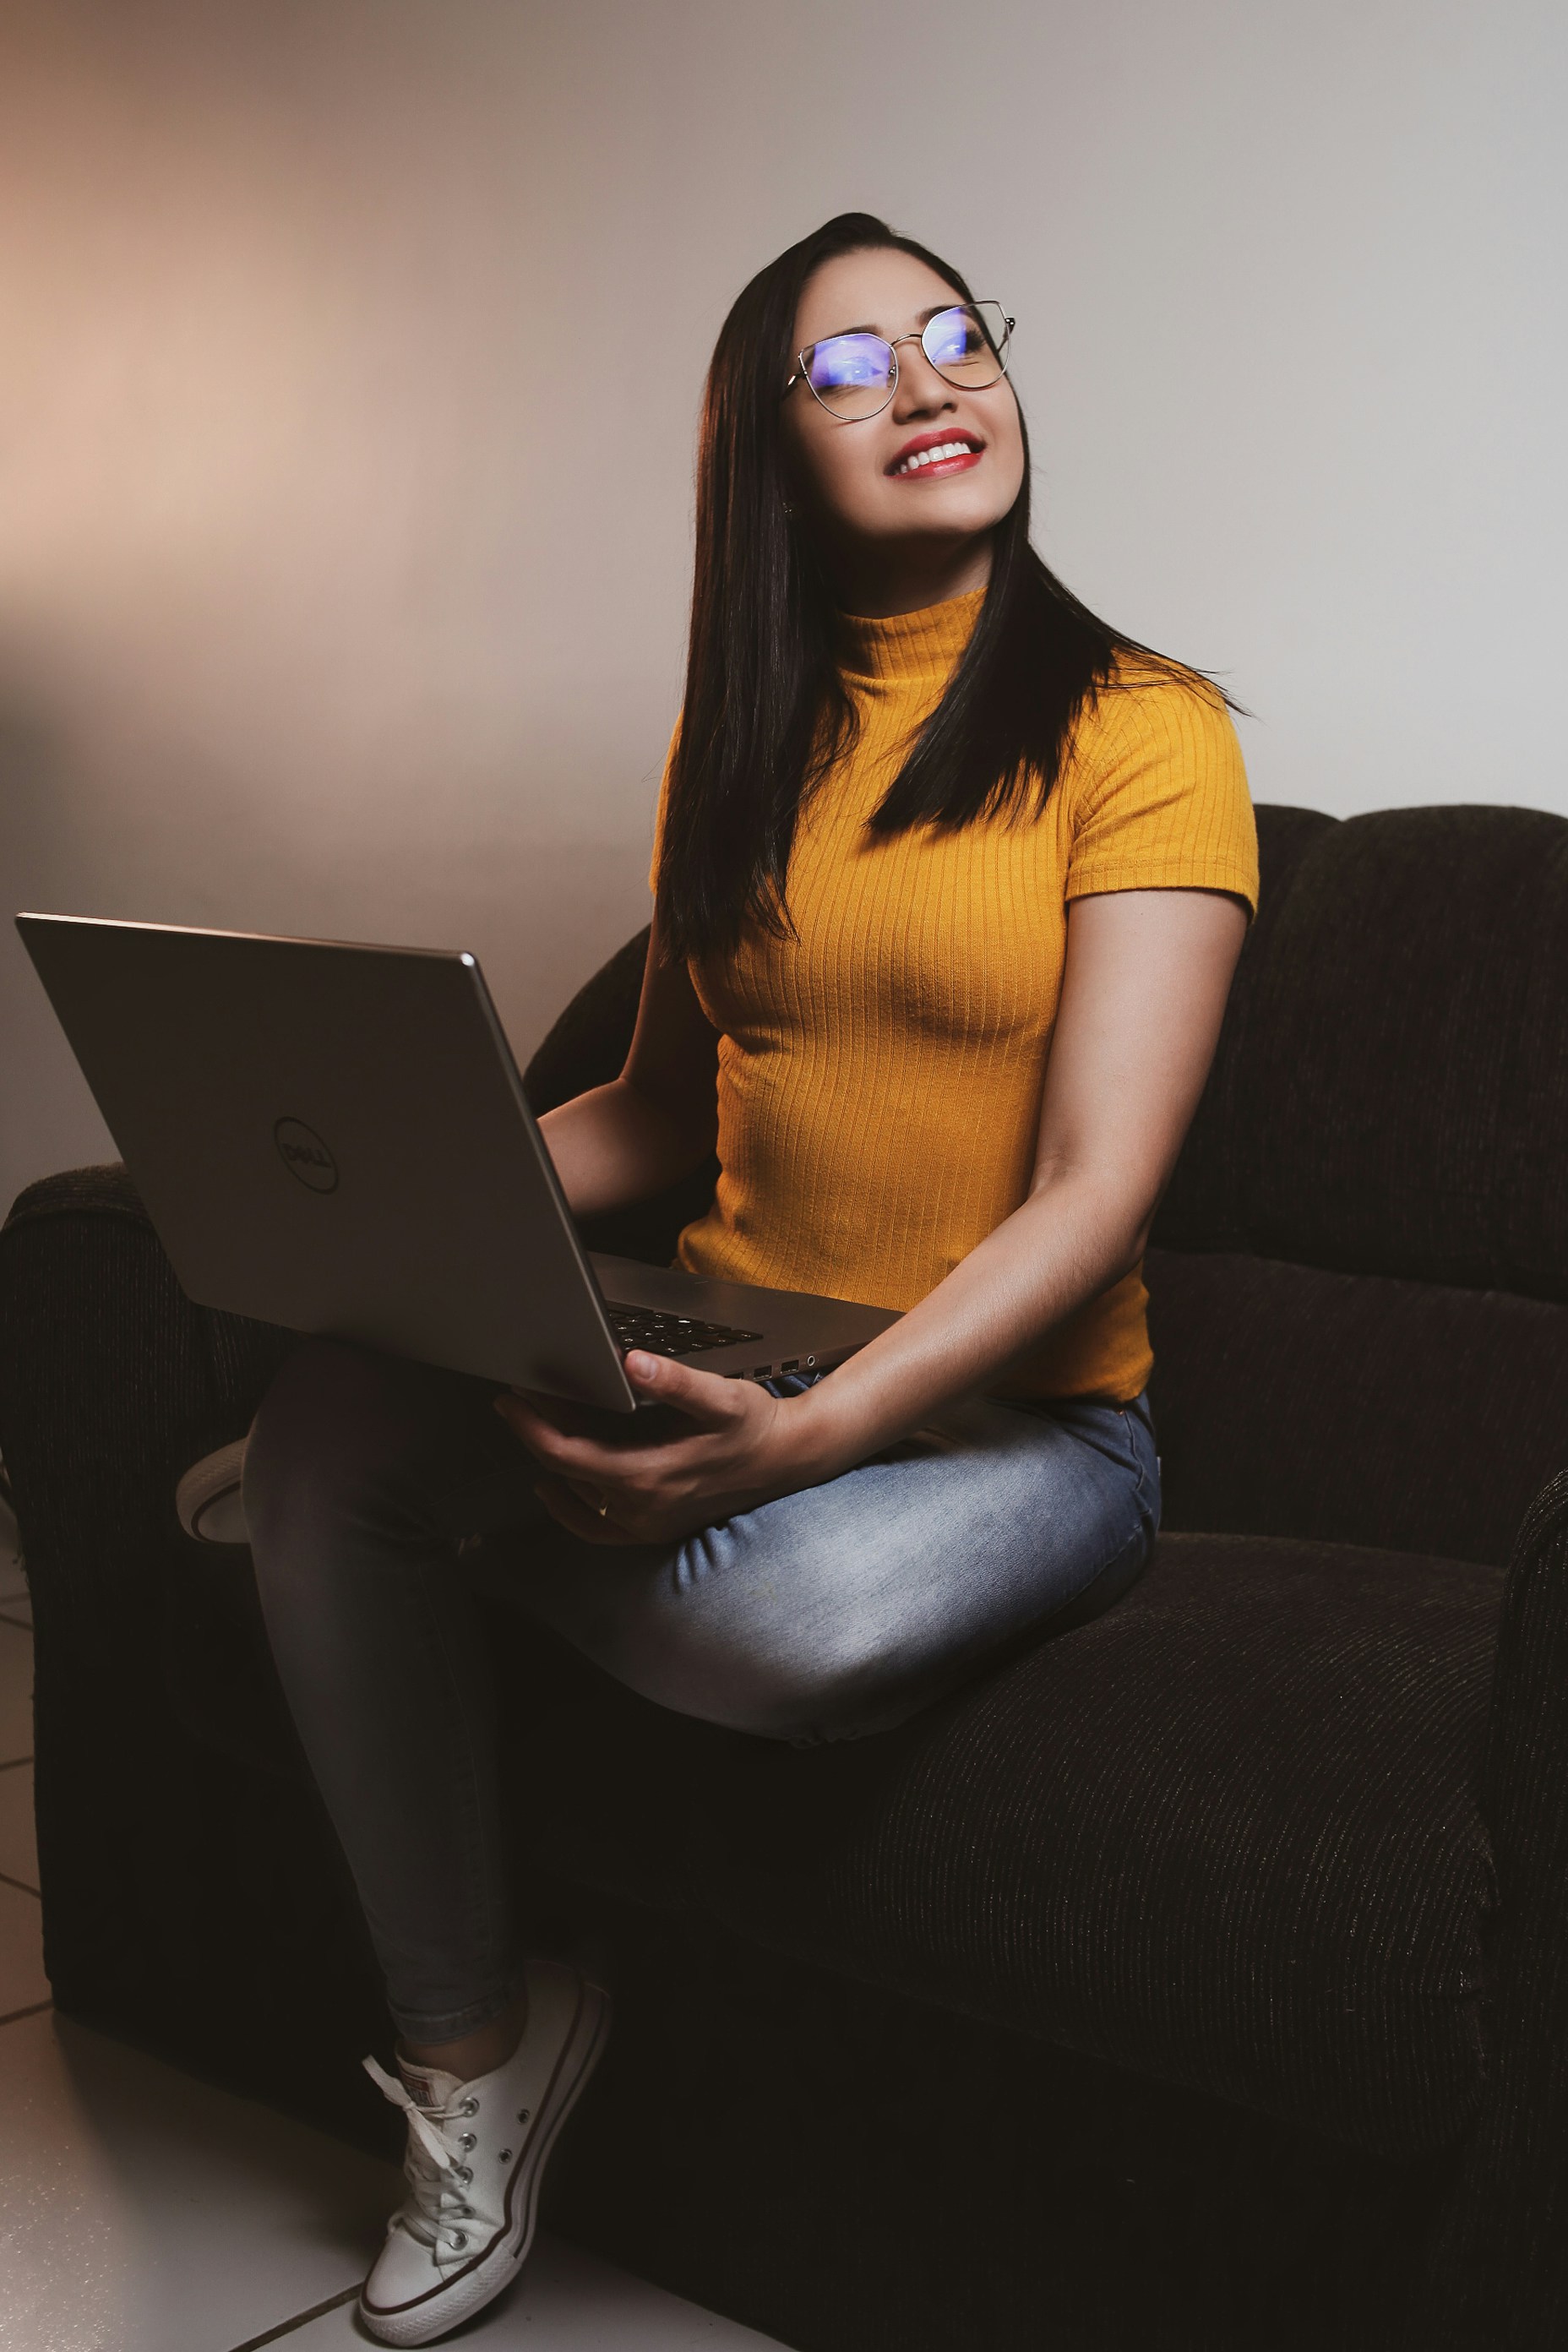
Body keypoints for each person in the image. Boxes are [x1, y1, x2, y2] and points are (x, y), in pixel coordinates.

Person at [244, 210, 1258, 2346]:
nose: (928, 381)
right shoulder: (748, 747)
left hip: (1022, 1429)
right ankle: (472, 2046)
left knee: (773, 1628)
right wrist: (412, 1194)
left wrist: (803, 1443)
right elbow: (655, 1114)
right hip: (723, 1345)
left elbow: (1091, 1195)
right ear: (762, 455)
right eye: (847, 365)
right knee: (327, 1418)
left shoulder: (1145, 729)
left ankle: (376, 1572)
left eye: (955, 335)